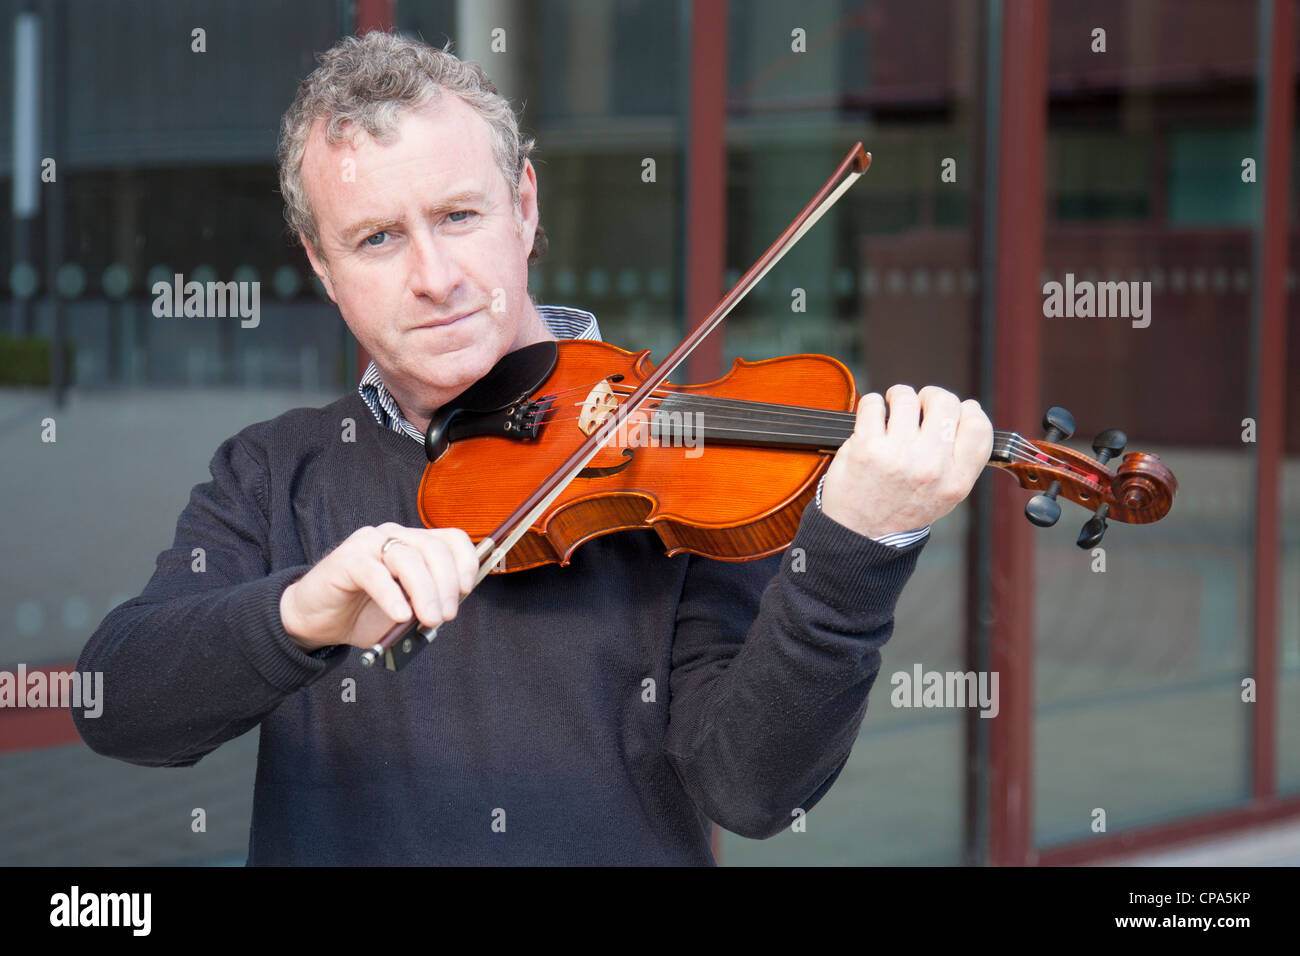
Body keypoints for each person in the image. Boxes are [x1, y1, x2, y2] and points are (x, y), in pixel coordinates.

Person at [74, 31, 992, 865]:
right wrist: (301, 614)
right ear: (322, 263)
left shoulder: (679, 460)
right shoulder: (274, 470)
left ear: (522, 205)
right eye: (378, 238)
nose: (434, 279)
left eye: (460, 217)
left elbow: (751, 790)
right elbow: (119, 703)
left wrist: (856, 553)